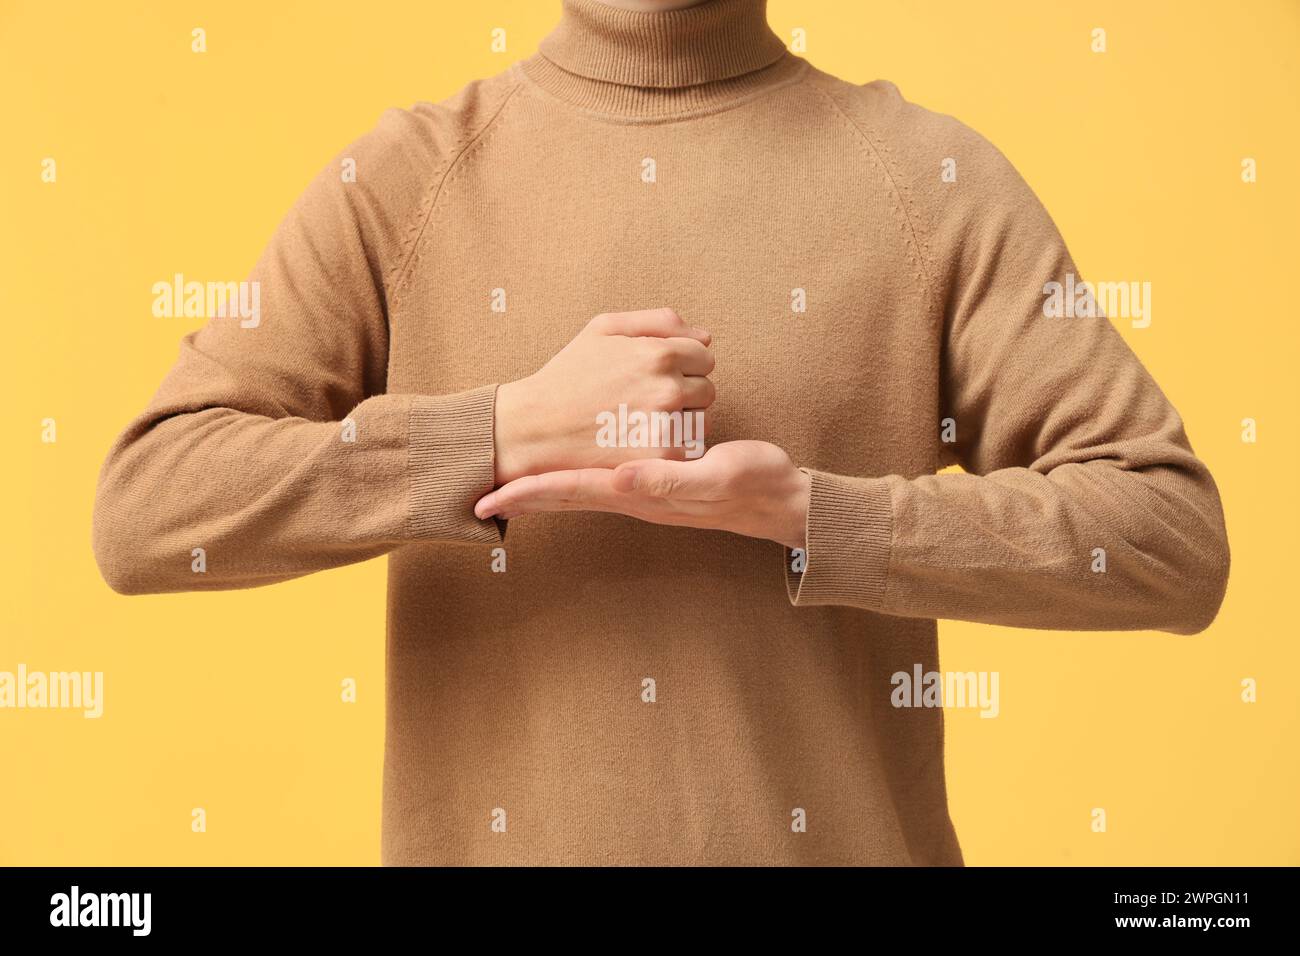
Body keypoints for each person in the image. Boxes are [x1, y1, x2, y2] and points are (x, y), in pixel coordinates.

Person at [92, 0, 1230, 865]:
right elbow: (148, 507)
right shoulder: (403, 180)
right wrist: (498, 432)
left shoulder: (931, 181)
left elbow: (1168, 535)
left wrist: (812, 515)